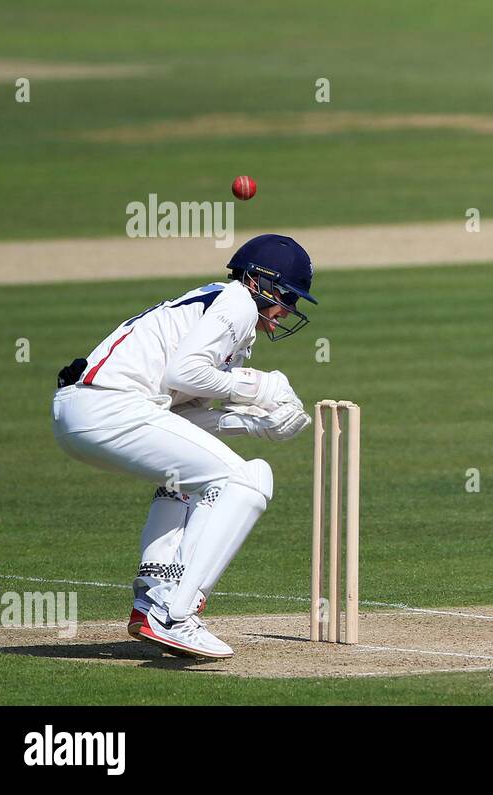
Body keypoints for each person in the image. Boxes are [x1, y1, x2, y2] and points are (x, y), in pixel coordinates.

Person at [51, 234, 318, 658]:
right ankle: (177, 614)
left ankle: (154, 593)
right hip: (109, 406)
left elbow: (181, 415)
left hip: (86, 413)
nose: (287, 309)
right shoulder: (236, 302)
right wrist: (258, 387)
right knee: (247, 480)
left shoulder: (228, 317)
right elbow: (186, 373)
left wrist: (257, 424)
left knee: (190, 479)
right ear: (257, 282)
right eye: (286, 296)